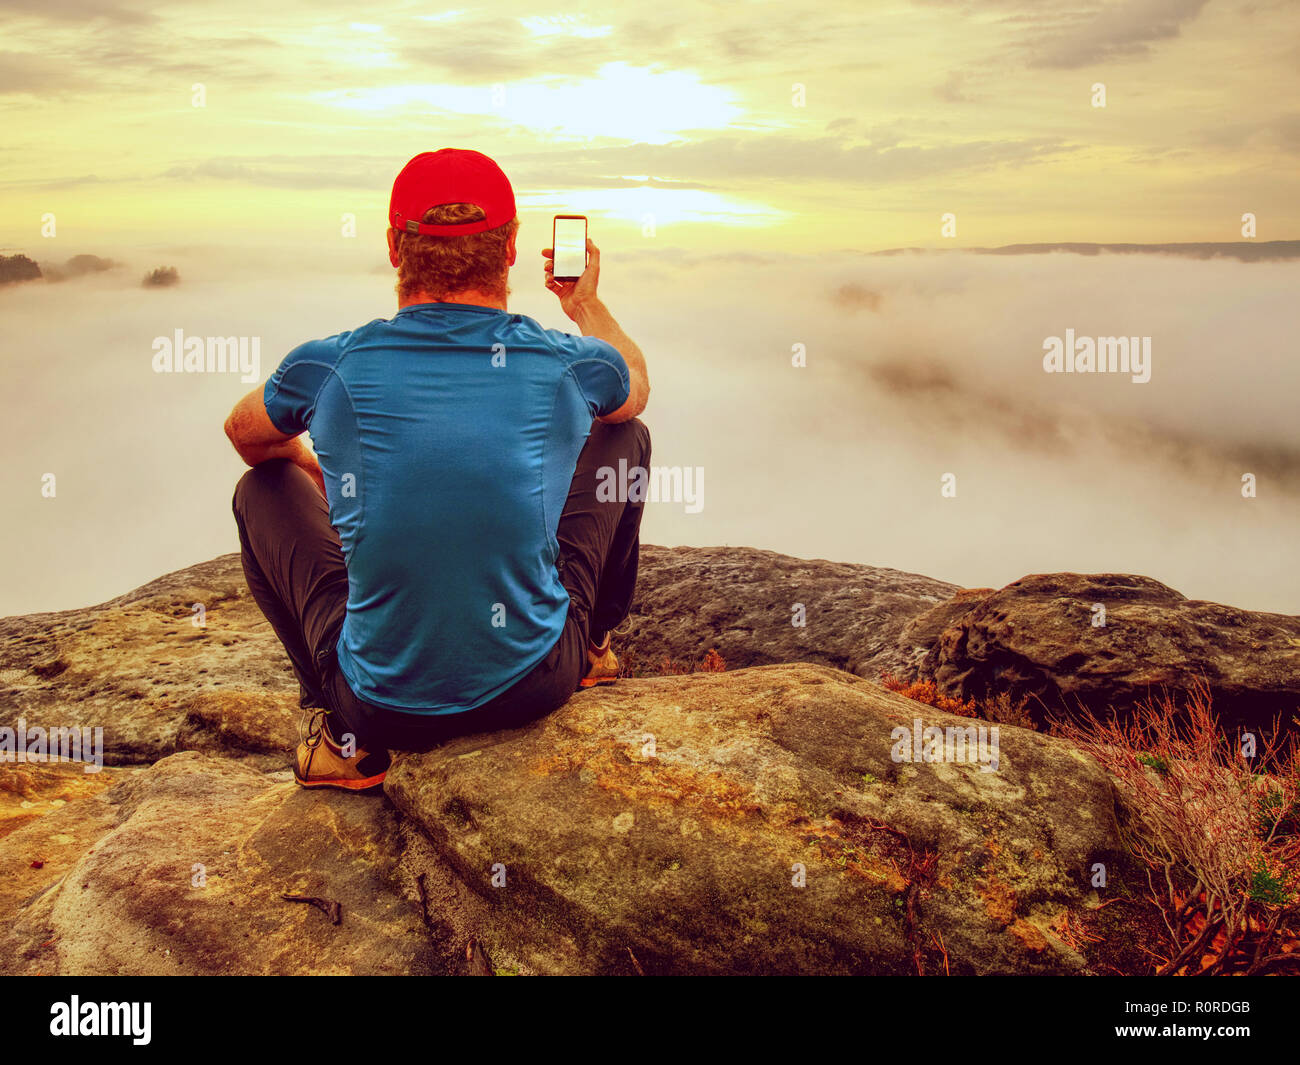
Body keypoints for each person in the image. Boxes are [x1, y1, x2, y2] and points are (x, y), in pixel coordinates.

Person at [223, 148, 650, 791]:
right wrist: (585, 305)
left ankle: (334, 732)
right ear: (509, 250)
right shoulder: (568, 359)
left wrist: (306, 460)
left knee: (261, 488)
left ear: (396, 248)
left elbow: (245, 434)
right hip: (539, 682)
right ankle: (590, 650)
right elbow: (634, 390)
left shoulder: (328, 363)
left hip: (381, 706)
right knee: (628, 438)